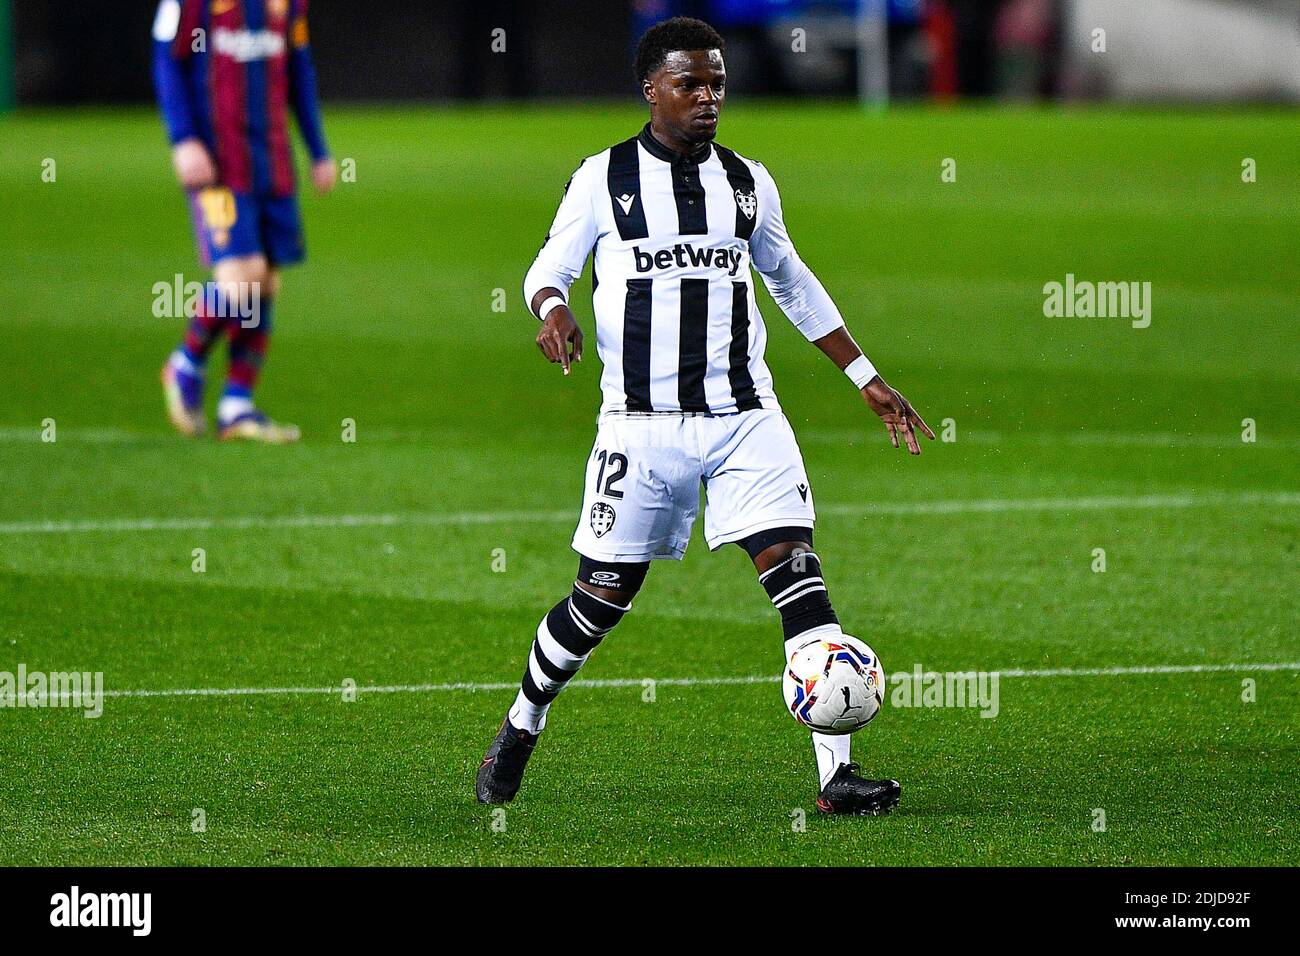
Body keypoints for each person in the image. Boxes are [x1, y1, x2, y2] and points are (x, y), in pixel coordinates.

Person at [476, 16, 934, 815]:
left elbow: (791, 281)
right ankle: (523, 722)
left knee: (798, 576)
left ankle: (836, 778)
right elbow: (547, 269)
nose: (708, 98)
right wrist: (552, 310)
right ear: (650, 89)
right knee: (598, 602)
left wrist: (864, 375)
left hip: (744, 416)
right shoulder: (604, 178)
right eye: (691, 83)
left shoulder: (748, 182)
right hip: (639, 424)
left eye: (717, 83)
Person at [152, 0, 335, 442]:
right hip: (217, 165)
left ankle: (236, 404)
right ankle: (185, 363)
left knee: (266, 282)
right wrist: (183, 140)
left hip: (271, 163)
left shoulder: (287, 5)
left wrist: (318, 149)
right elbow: (166, 62)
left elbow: (299, 71)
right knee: (241, 278)